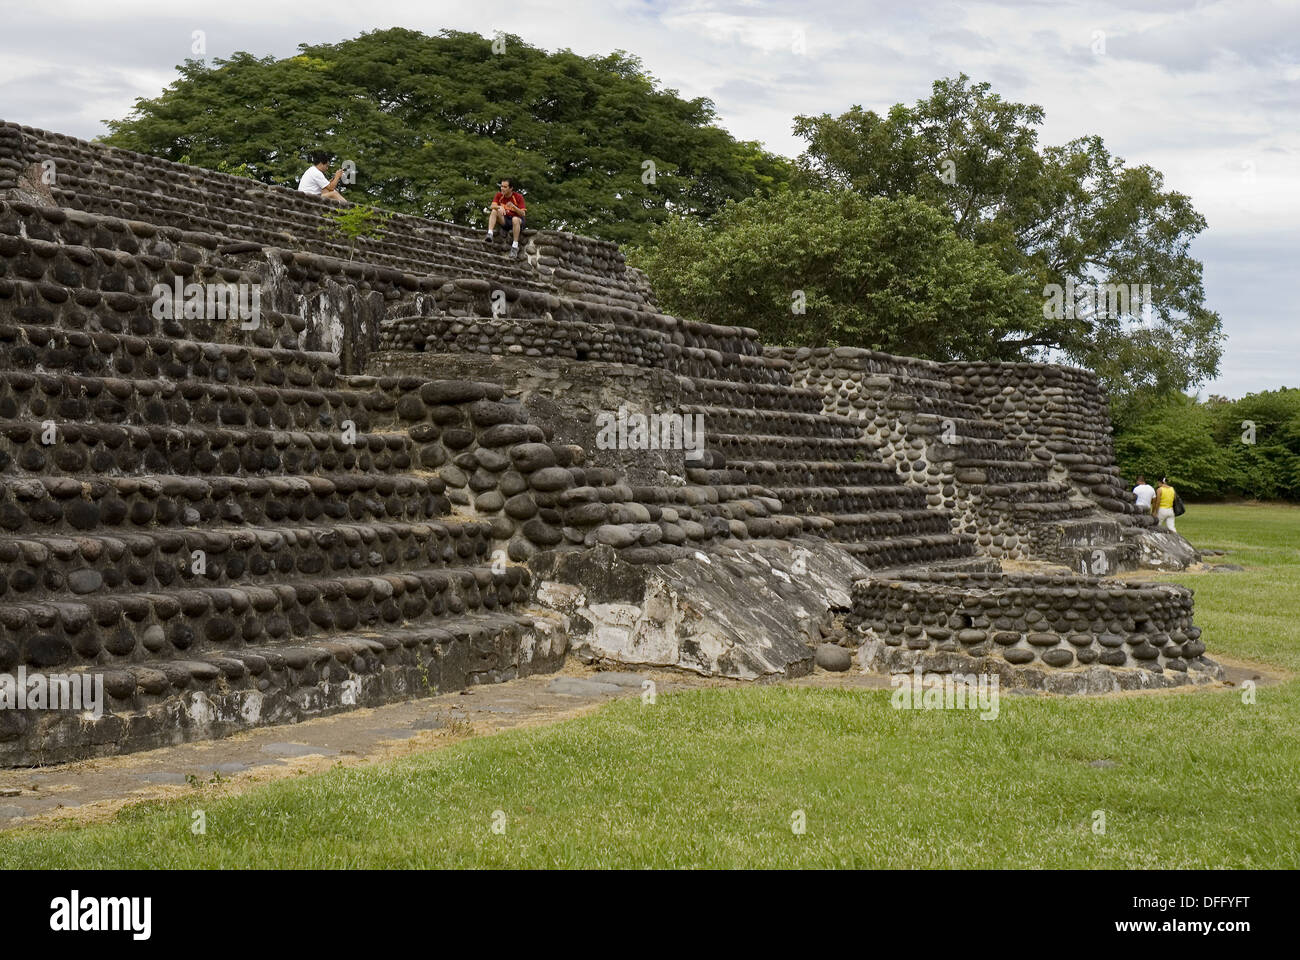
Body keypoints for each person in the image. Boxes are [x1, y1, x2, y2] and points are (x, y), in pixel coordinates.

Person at [485, 178, 526, 258]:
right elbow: (492, 206)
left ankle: (514, 246)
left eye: (505, 187)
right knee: (494, 211)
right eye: (501, 186)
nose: (502, 188)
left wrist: (514, 207)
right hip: (506, 220)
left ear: (511, 188)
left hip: (517, 221)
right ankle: (490, 234)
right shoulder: (499, 195)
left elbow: (523, 213)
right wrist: (499, 207)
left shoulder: (518, 197)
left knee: (515, 219)